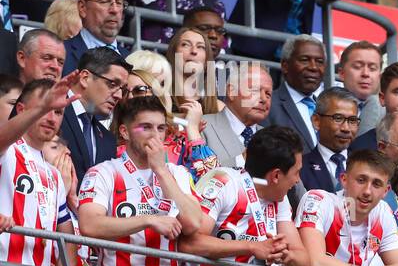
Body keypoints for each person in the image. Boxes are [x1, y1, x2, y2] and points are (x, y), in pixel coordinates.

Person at [76, 92, 205, 266]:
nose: (155, 135)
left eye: (161, 128)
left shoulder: (178, 174)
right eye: (146, 127)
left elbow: (195, 223)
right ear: (125, 132)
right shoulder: (103, 172)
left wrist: (162, 171)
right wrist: (148, 220)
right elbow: (89, 224)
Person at [178, 125, 308, 266]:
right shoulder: (224, 182)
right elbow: (188, 244)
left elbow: (303, 259)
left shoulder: (279, 200)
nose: (298, 180)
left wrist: (287, 256)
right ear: (275, 176)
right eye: (296, 172)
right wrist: (251, 247)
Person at [279, 148, 398, 266]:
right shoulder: (318, 200)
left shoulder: (383, 213)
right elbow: (317, 262)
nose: (367, 191)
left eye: (376, 184)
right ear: (343, 179)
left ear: (385, 191)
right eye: (361, 180)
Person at [0, 76, 76, 266]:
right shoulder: (9, 150)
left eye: (58, 112)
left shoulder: (54, 174)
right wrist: (44, 105)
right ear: (21, 109)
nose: (52, 118)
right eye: (46, 109)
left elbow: (66, 231)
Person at [124, 43, 218, 180]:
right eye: (147, 84)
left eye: (162, 84)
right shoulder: (105, 132)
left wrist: (192, 130)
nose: (158, 92)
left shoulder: (177, 137)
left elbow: (210, 181)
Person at [58, 45, 126, 181]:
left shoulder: (108, 140)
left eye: (122, 89)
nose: (119, 95)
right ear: (84, 78)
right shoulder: (51, 113)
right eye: (112, 84)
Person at [203, 63, 273, 168]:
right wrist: (242, 159)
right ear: (231, 91)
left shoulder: (273, 139)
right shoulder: (201, 127)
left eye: (268, 94)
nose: (263, 99)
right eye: (254, 90)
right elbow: (196, 174)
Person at [295, 87, 359, 196]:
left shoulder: (366, 166)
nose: (346, 128)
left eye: (352, 120)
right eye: (338, 118)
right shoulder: (300, 168)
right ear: (316, 121)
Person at [268, 34, 325, 150]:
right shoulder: (268, 105)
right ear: (285, 66)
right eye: (305, 60)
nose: (313, 67)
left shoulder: (327, 108)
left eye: (319, 61)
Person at [341, 40, 385, 133]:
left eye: (372, 68)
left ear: (380, 77)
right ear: (342, 73)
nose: (365, 73)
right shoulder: (325, 108)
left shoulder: (391, 113)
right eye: (357, 67)